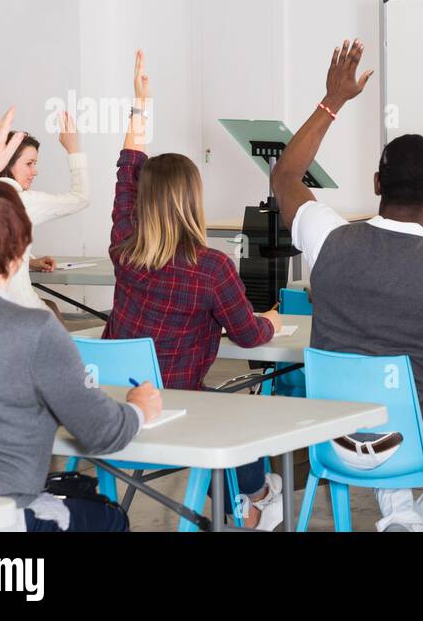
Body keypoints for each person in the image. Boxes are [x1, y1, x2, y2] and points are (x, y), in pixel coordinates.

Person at [271, 39, 423, 532]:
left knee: (381, 393)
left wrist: (333, 100)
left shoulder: (327, 237)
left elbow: (284, 174)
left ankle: (403, 514)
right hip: (412, 439)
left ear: (377, 184)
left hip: (333, 433)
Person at [0, 109, 161, 531]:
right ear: (20, 254)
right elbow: (104, 433)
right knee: (109, 518)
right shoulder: (35, 331)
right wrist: (140, 411)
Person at [102, 51, 285, 530]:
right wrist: (273, 321)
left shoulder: (124, 247)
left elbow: (126, 171)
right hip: (175, 404)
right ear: (193, 200)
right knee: (234, 412)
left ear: (144, 202)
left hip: (113, 401)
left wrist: (140, 105)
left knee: (220, 404)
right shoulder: (211, 268)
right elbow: (248, 337)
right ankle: (258, 496)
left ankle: (246, 503)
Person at [0, 111, 91, 315]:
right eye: (29, 163)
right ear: (5, 163)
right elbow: (81, 197)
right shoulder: (23, 202)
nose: (35, 171)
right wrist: (73, 149)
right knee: (51, 313)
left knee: (52, 307)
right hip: (19, 309)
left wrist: (28, 261)